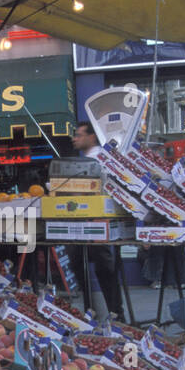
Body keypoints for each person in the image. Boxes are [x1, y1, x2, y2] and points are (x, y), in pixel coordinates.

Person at [68, 120, 124, 319]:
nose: (75, 138)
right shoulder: (92, 158)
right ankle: (107, 310)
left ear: (91, 137)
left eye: (79, 134)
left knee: (102, 267)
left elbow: (89, 189)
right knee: (84, 264)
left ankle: (111, 312)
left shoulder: (95, 159)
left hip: (96, 219)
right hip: (90, 220)